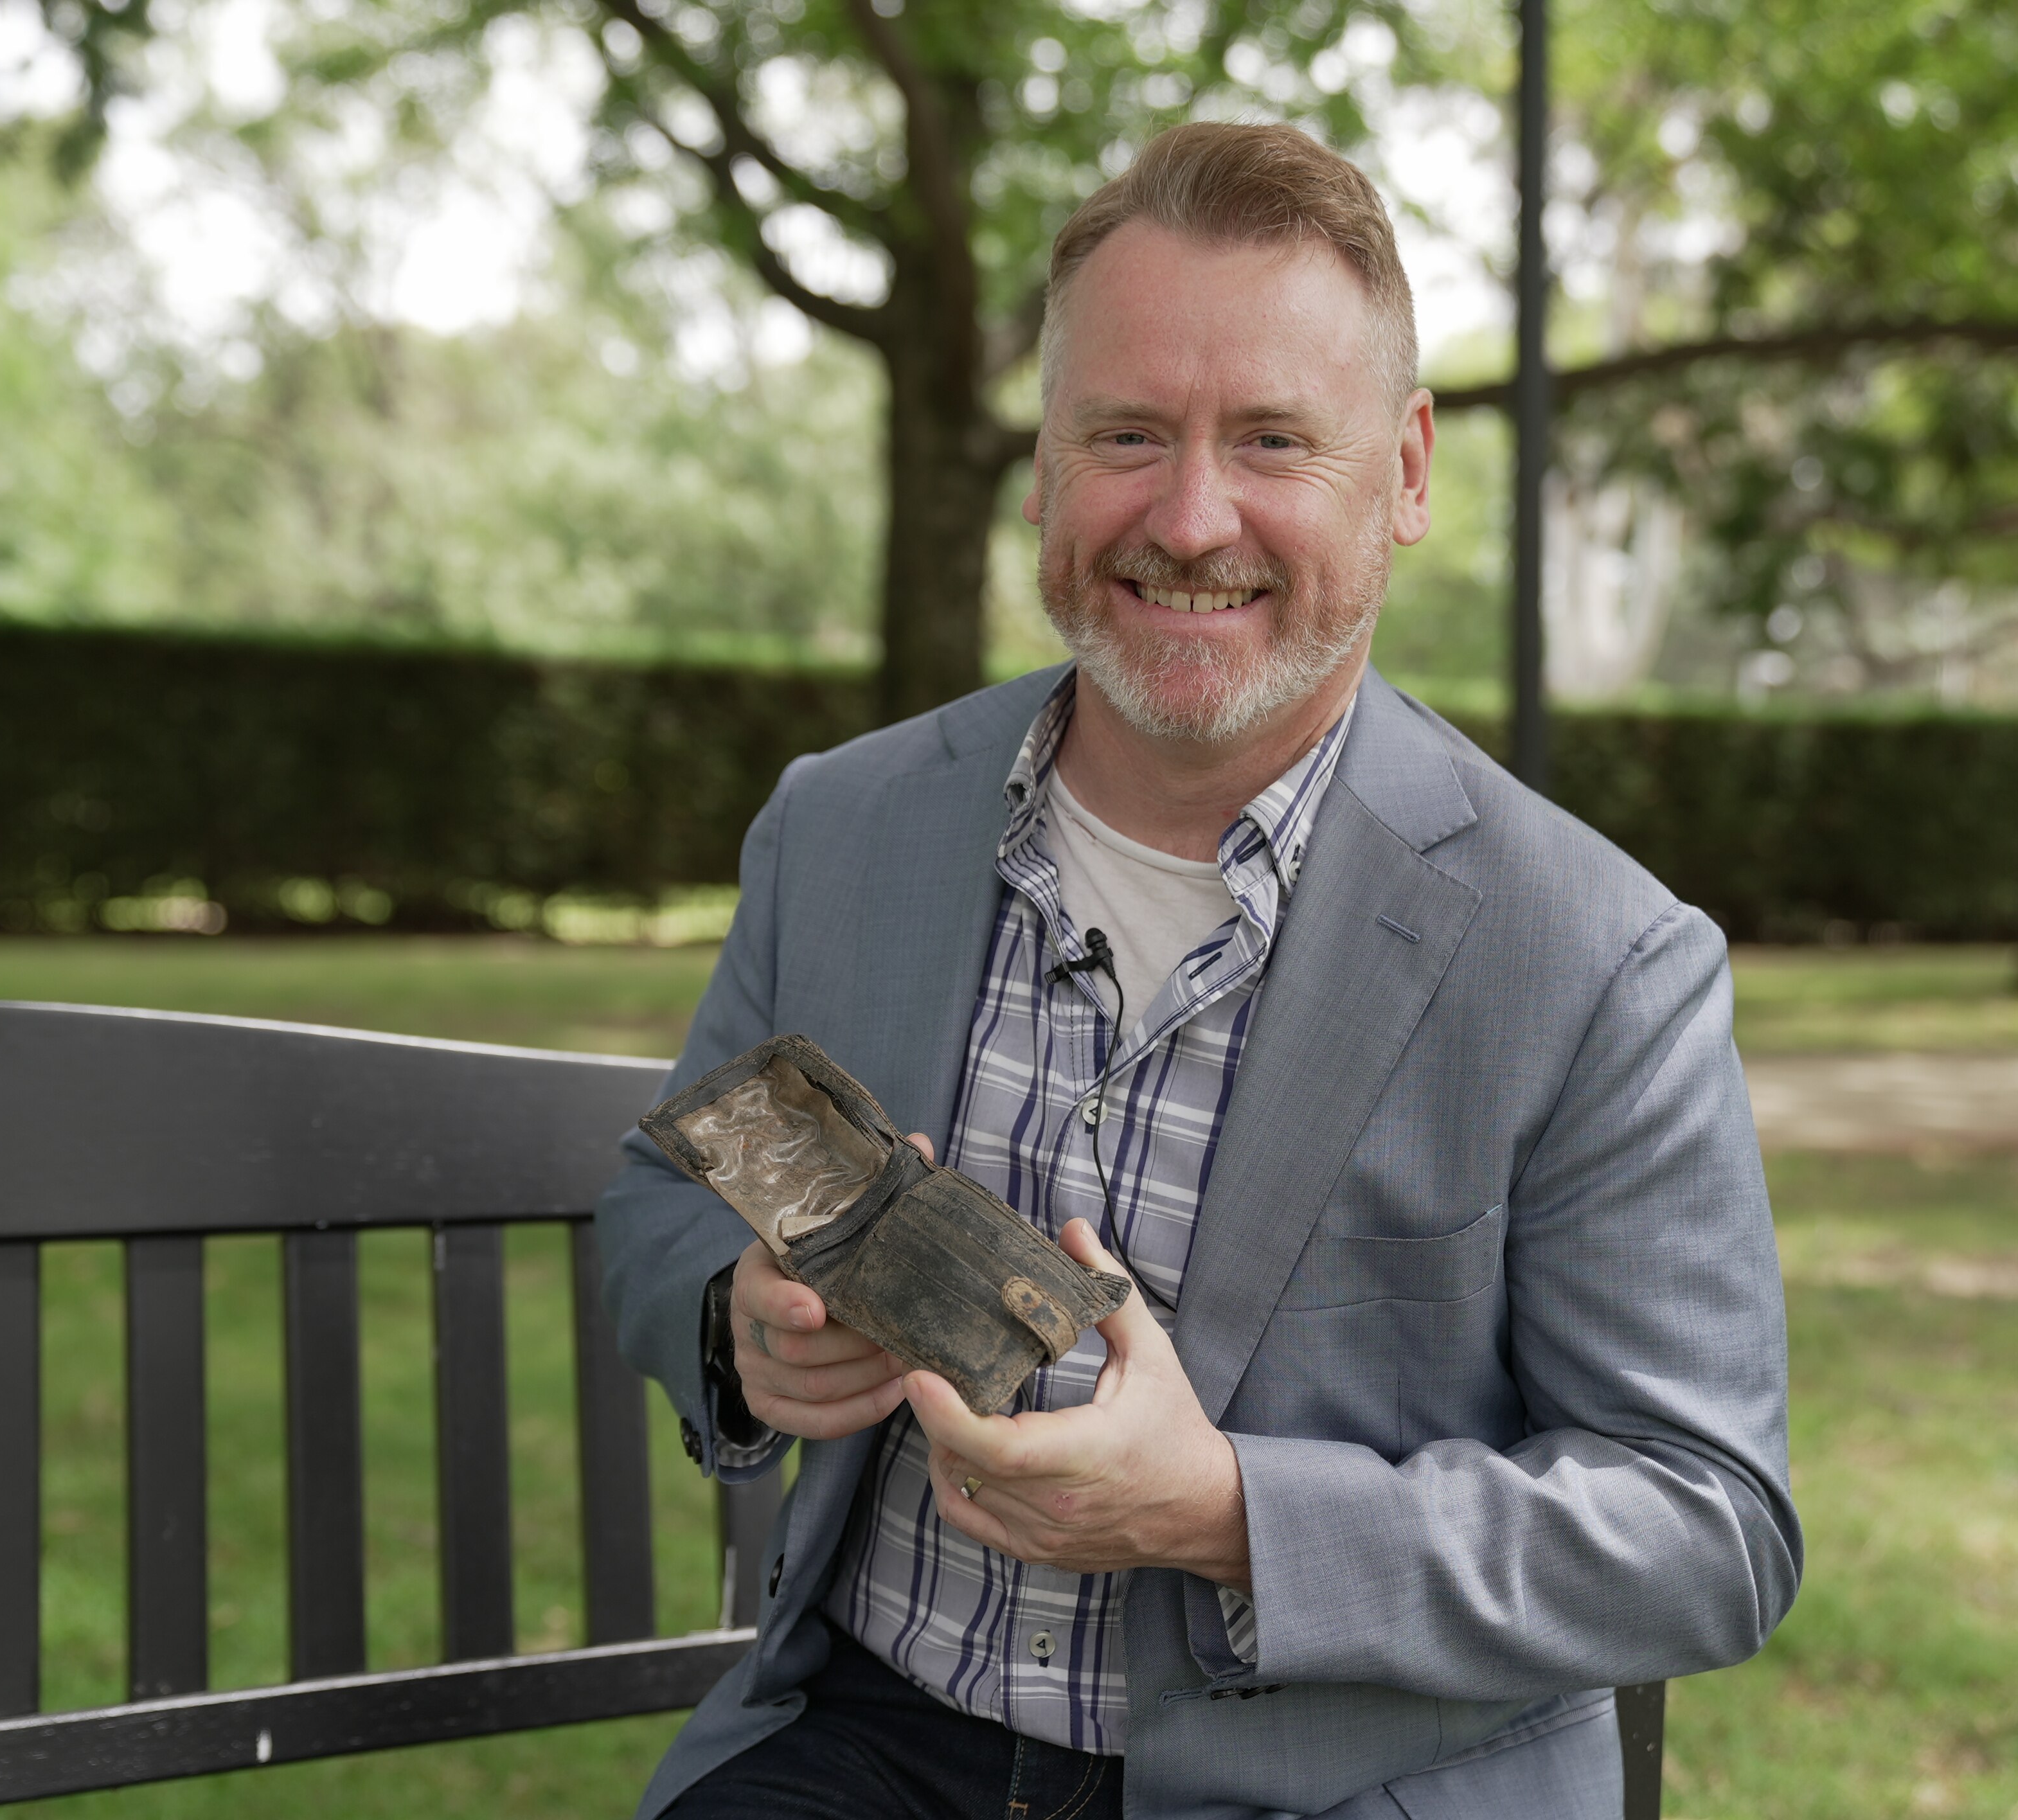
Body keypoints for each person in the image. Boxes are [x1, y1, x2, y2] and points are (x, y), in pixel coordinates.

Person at [597, 121, 1799, 1820]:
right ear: (1042, 462)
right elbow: (662, 1201)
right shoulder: (841, 827)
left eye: (1274, 440)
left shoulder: (1599, 959)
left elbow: (1708, 1527)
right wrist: (737, 1332)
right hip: (861, 1743)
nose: (1189, 514)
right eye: (1128, 434)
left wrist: (1228, 1510)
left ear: (1405, 473)